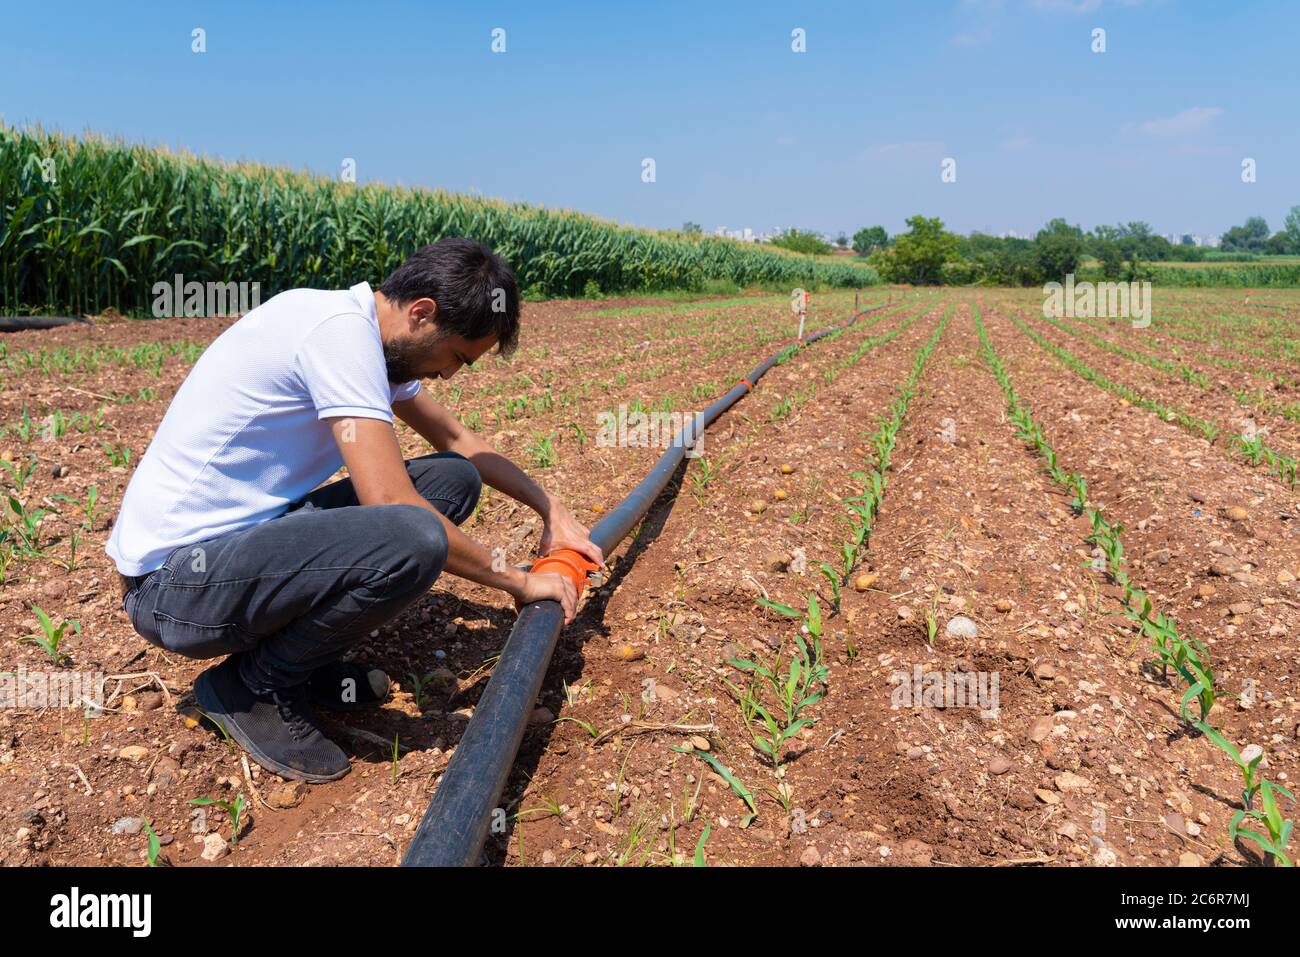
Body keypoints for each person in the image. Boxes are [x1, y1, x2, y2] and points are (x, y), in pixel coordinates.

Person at [107, 237, 603, 782]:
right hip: (175, 585)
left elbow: (456, 439)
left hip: (239, 549)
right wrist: (519, 582)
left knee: (450, 480)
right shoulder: (338, 335)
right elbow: (389, 501)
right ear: (422, 314)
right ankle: (255, 687)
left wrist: (549, 507)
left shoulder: (366, 334)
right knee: (413, 533)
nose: (450, 374)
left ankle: (301, 658)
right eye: (458, 357)